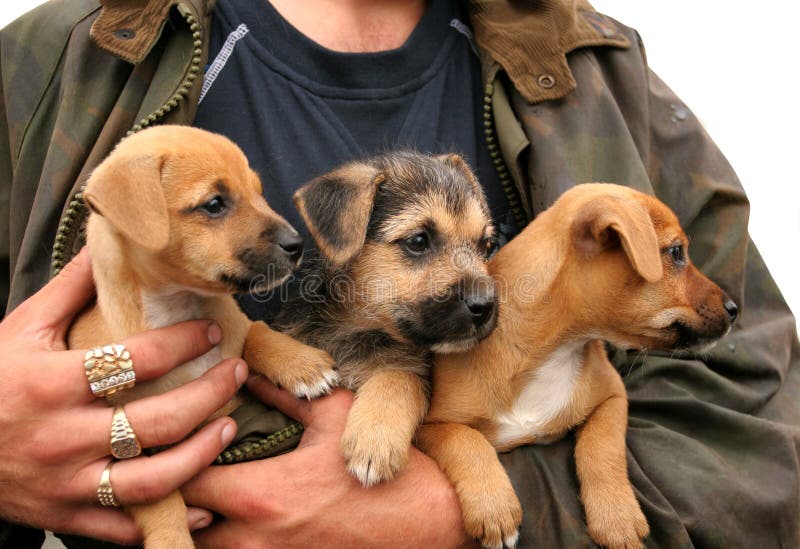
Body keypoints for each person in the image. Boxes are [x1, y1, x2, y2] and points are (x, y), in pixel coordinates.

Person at [1, 1, 798, 548]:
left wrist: (450, 513)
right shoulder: (59, 60)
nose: (479, 282)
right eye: (421, 244)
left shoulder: (596, 70)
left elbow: (766, 424)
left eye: (484, 246)